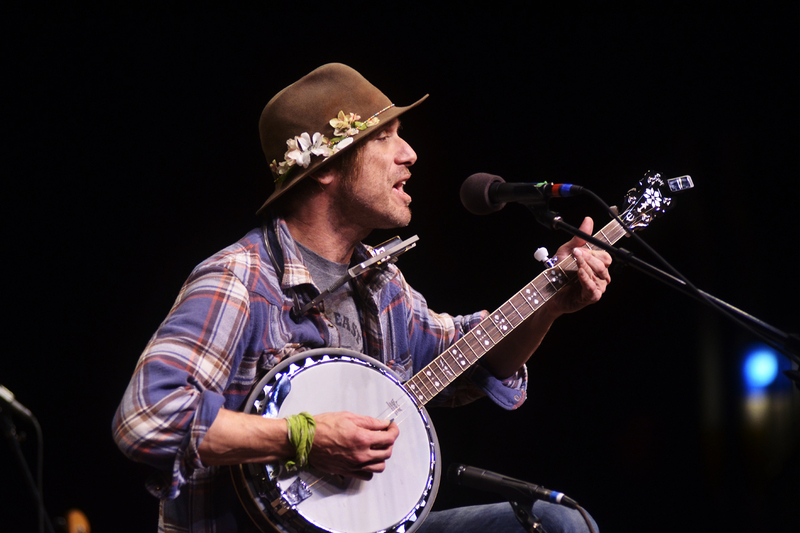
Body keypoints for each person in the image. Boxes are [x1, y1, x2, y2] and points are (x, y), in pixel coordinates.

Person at [113, 63, 612, 533]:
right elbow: (149, 417)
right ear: (327, 168)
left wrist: (551, 299)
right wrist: (304, 437)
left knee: (559, 523)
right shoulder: (240, 279)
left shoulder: (379, 282)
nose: (410, 154)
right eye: (383, 136)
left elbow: (470, 360)